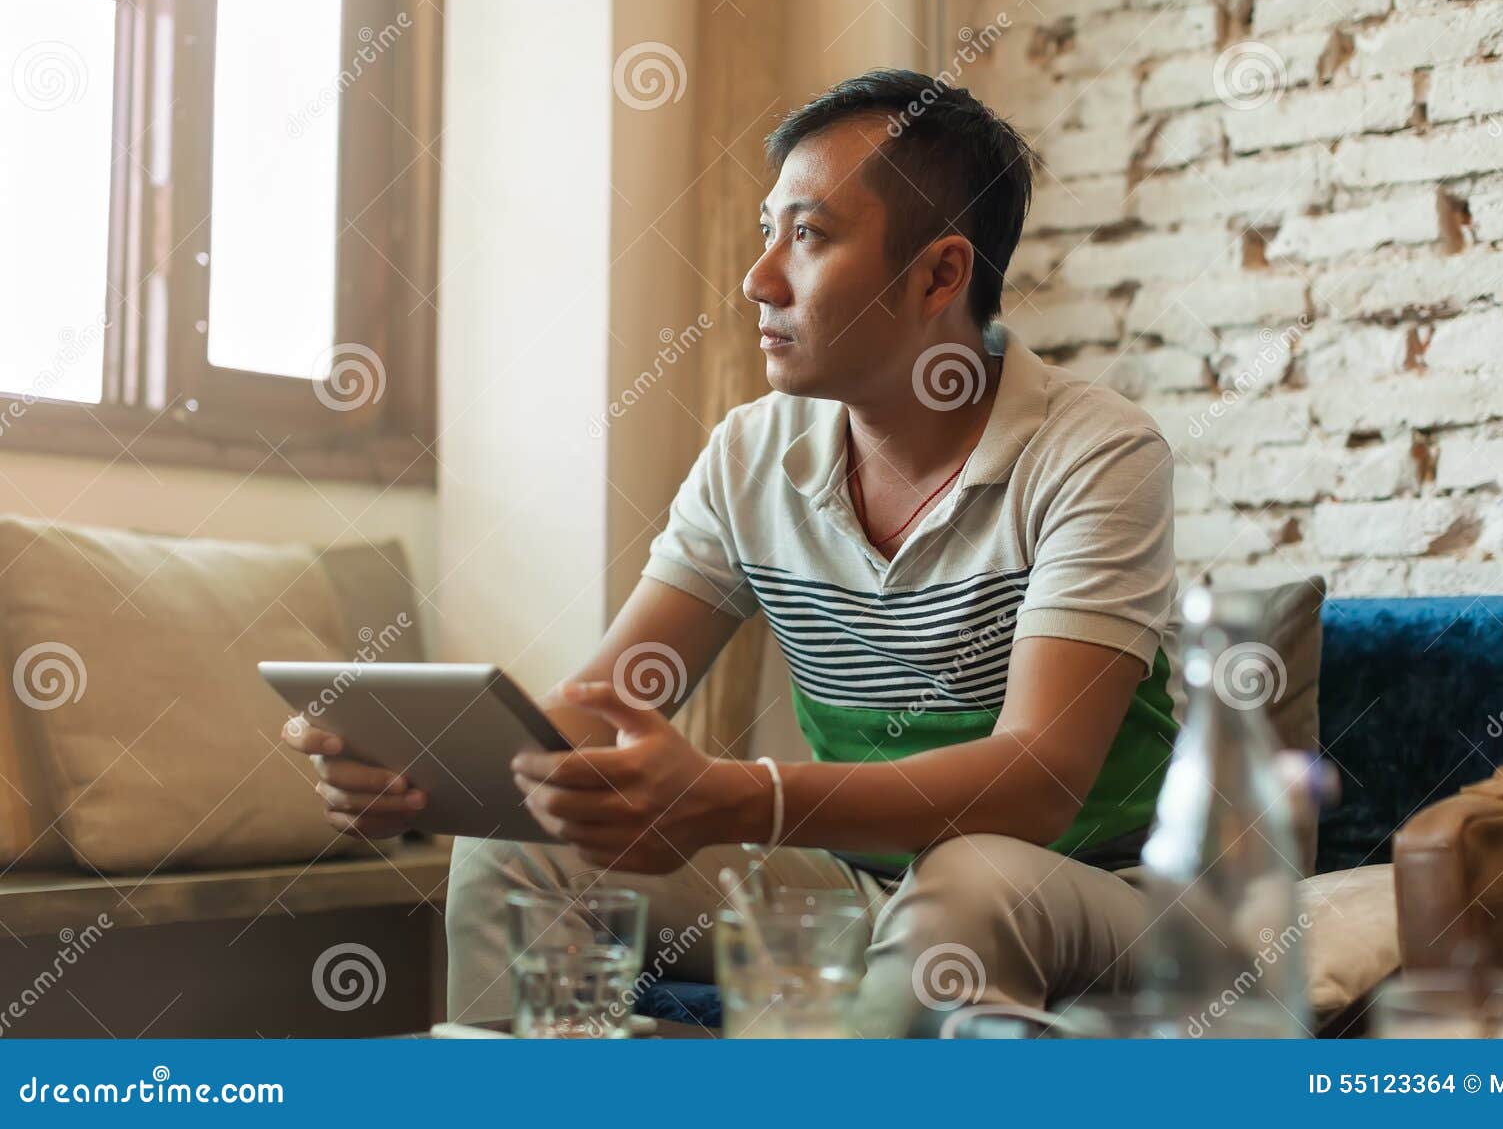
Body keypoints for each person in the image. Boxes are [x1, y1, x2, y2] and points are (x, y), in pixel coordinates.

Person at [283, 68, 1181, 1037]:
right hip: (859, 877)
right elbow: (604, 704)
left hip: (1096, 894)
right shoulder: (753, 453)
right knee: (514, 845)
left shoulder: (1095, 452)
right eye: (767, 232)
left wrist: (741, 796)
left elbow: (1036, 783)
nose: (758, 277)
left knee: (968, 875)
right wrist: (439, 770)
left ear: (938, 275)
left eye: (808, 235)